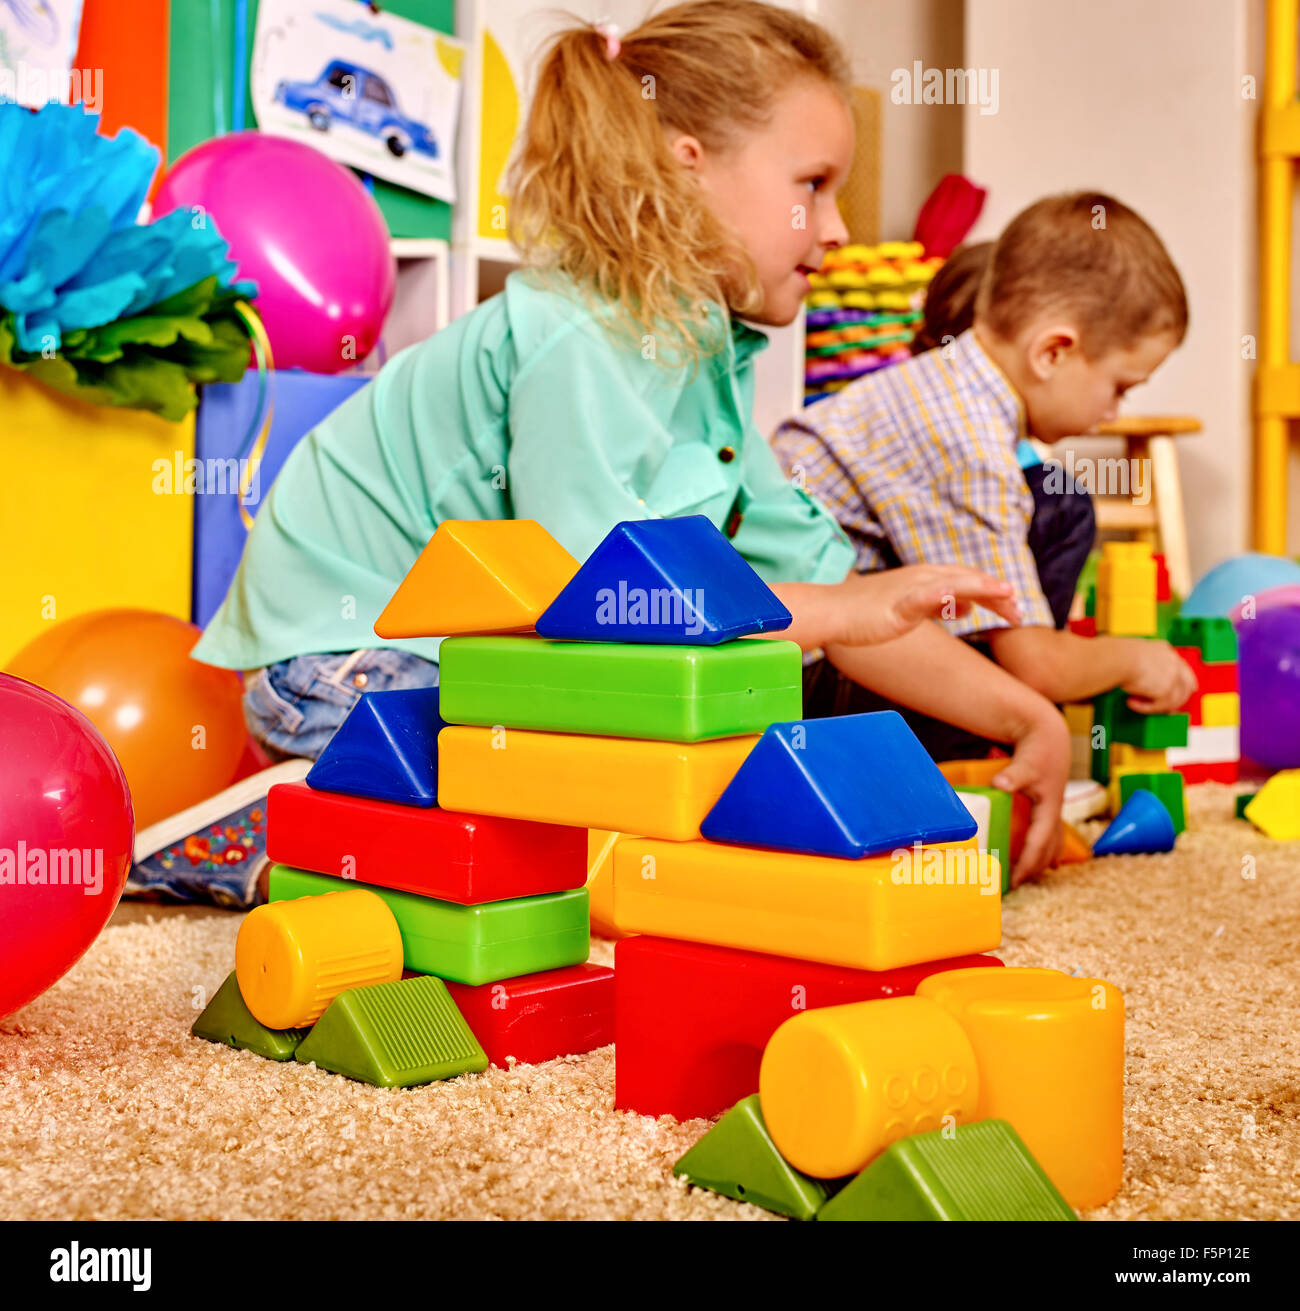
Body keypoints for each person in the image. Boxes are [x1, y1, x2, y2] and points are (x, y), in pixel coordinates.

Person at [194, 1, 1068, 882]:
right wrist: (837, 612)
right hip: (333, 661)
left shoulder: (704, 354)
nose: (837, 228)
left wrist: (1028, 717)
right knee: (539, 832)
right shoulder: (581, 337)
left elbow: (847, 606)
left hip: (448, 655)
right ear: (687, 169)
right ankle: (259, 840)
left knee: (670, 750)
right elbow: (608, 610)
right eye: (813, 185)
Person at [777, 192, 1197, 771]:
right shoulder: (965, 442)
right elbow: (1036, 666)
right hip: (802, 688)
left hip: (804, 651)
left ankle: (984, 744)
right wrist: (1134, 658)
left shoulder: (948, 388)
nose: (1115, 414)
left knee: (1051, 498)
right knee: (1057, 504)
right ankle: (970, 761)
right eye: (1120, 387)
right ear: (1052, 352)